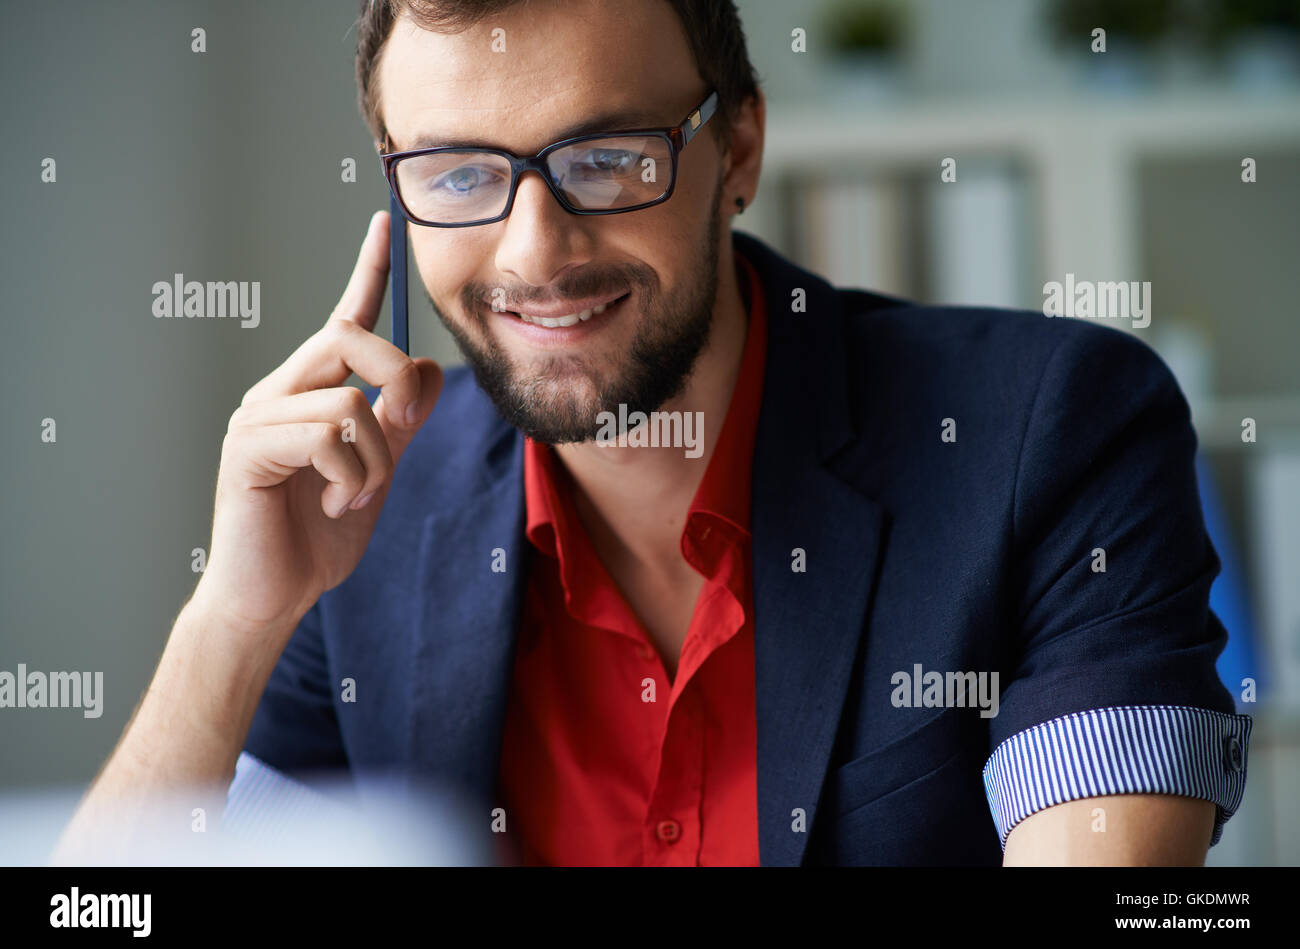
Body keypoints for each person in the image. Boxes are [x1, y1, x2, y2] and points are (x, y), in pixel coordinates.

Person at [58, 0, 1250, 866]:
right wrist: (233, 622)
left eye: (606, 157)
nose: (533, 253)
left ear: (735, 150)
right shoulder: (366, 517)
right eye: (459, 174)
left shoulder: (1050, 431)